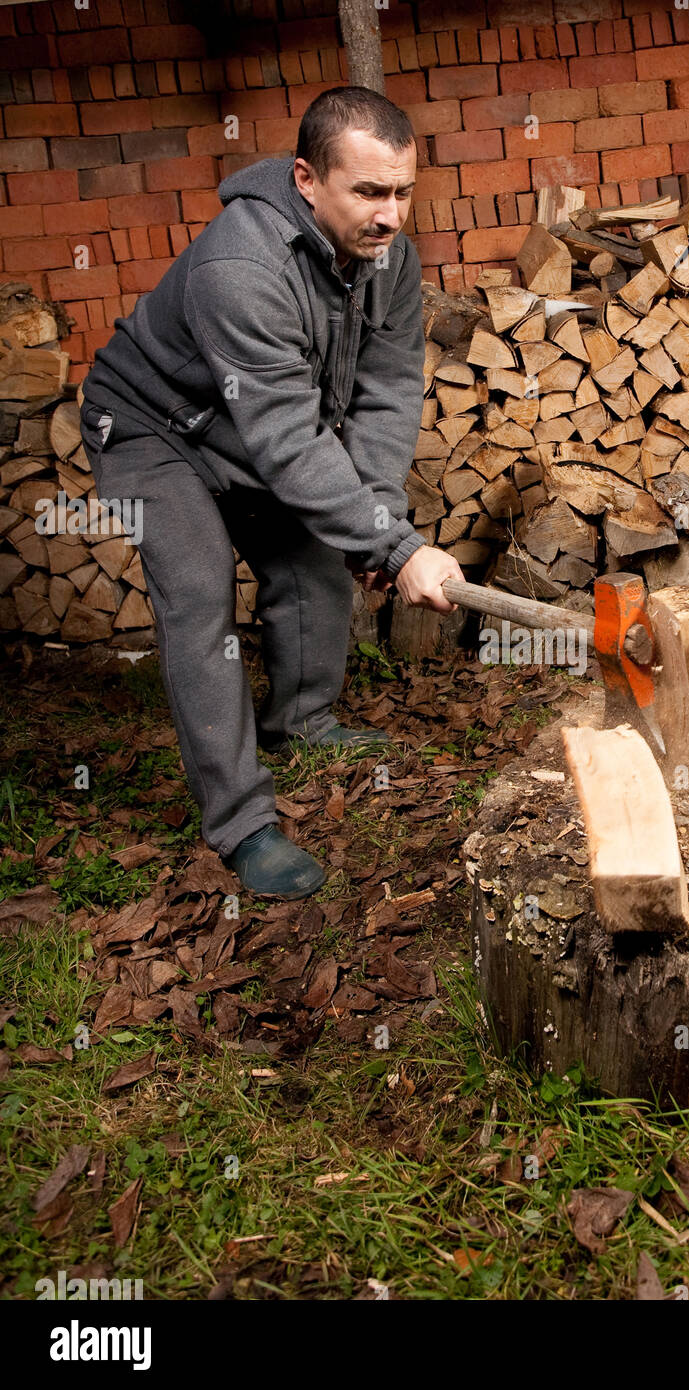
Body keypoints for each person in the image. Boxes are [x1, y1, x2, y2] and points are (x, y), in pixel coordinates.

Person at [79, 85, 464, 901]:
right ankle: (241, 821)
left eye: (402, 191)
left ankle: (305, 721)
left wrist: (377, 523)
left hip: (244, 422)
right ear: (305, 179)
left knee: (313, 555)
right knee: (196, 591)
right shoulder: (239, 266)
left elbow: (388, 389)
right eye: (368, 191)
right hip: (153, 429)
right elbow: (289, 440)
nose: (391, 214)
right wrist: (396, 551)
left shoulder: (386, 255)